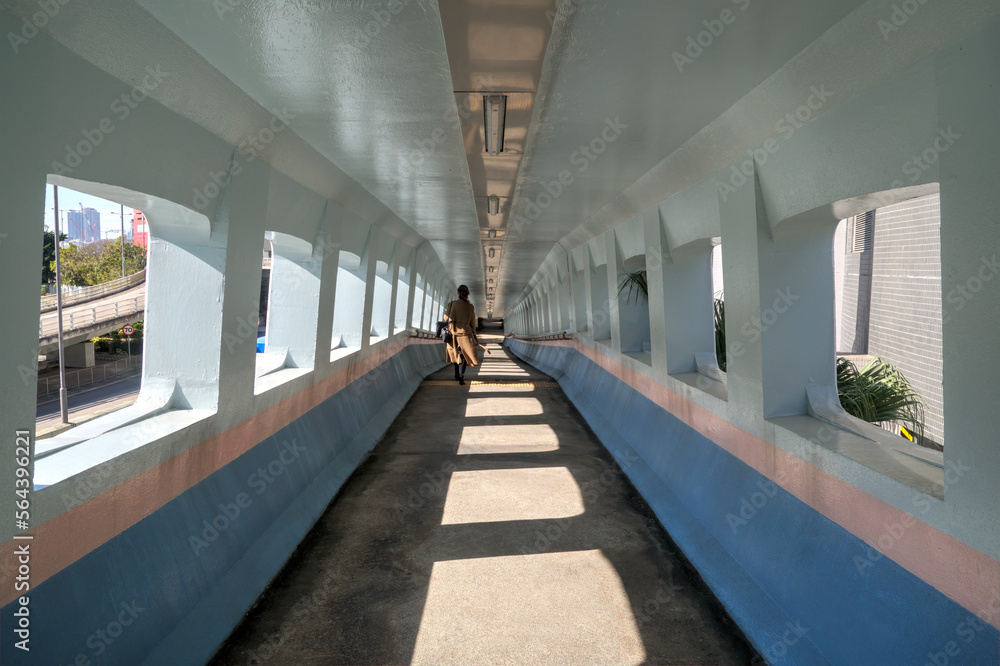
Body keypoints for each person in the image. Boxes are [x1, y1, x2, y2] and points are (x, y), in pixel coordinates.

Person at [443, 284, 480, 385]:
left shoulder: (452, 304)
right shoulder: (470, 307)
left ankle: (456, 374)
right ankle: (461, 375)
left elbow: (446, 318)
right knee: (463, 356)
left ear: (458, 293)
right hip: (465, 334)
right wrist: (473, 330)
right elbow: (473, 322)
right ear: (467, 294)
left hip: (453, 334)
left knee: (455, 354)